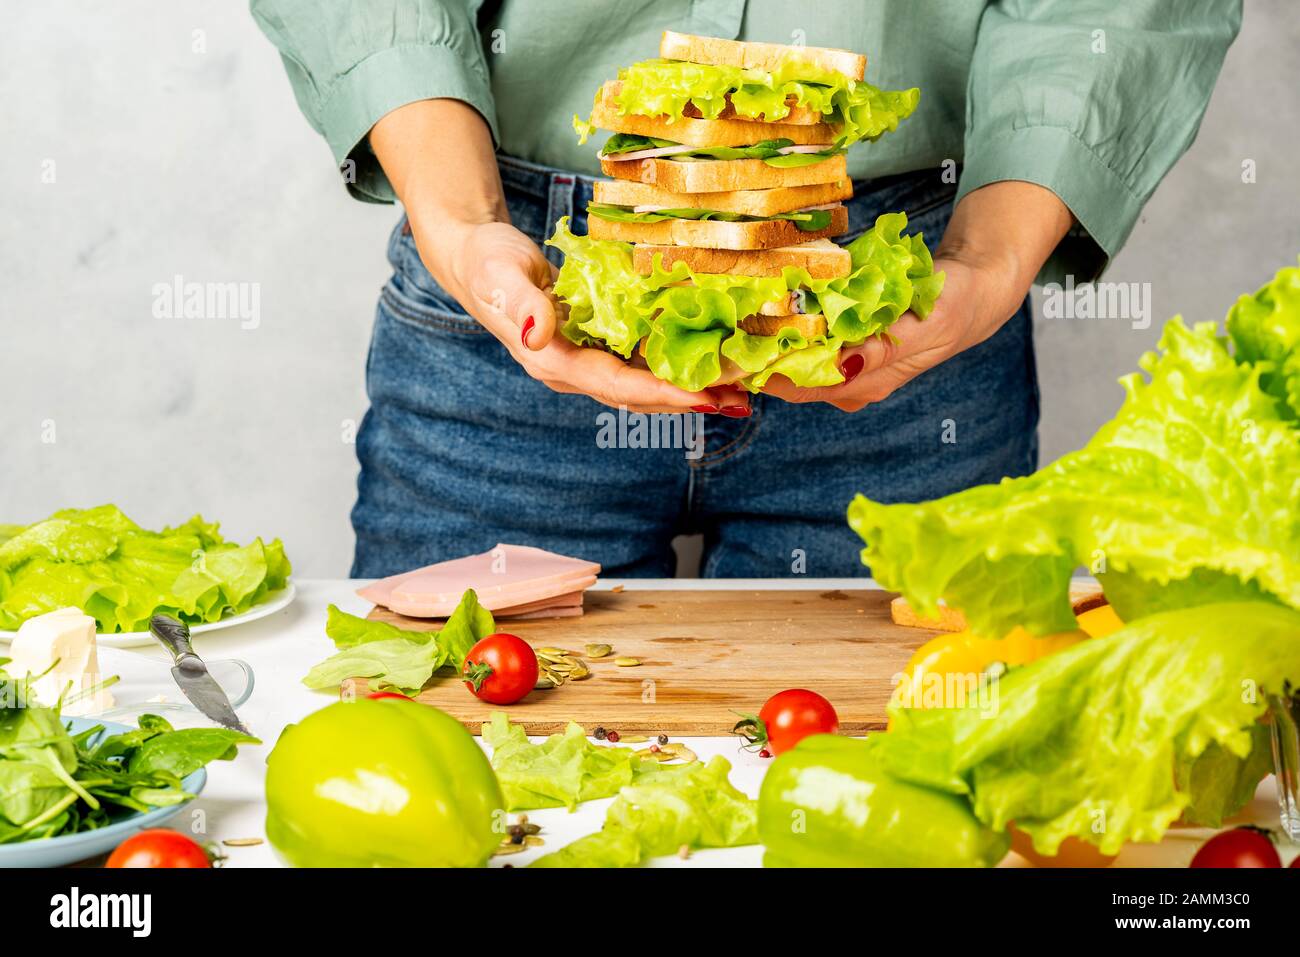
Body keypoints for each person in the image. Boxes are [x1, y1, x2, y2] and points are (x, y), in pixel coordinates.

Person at [251, 0, 1241, 578]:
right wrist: (462, 227)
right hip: (519, 257)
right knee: (464, 785)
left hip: (900, 295)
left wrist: (986, 262)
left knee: (895, 801)